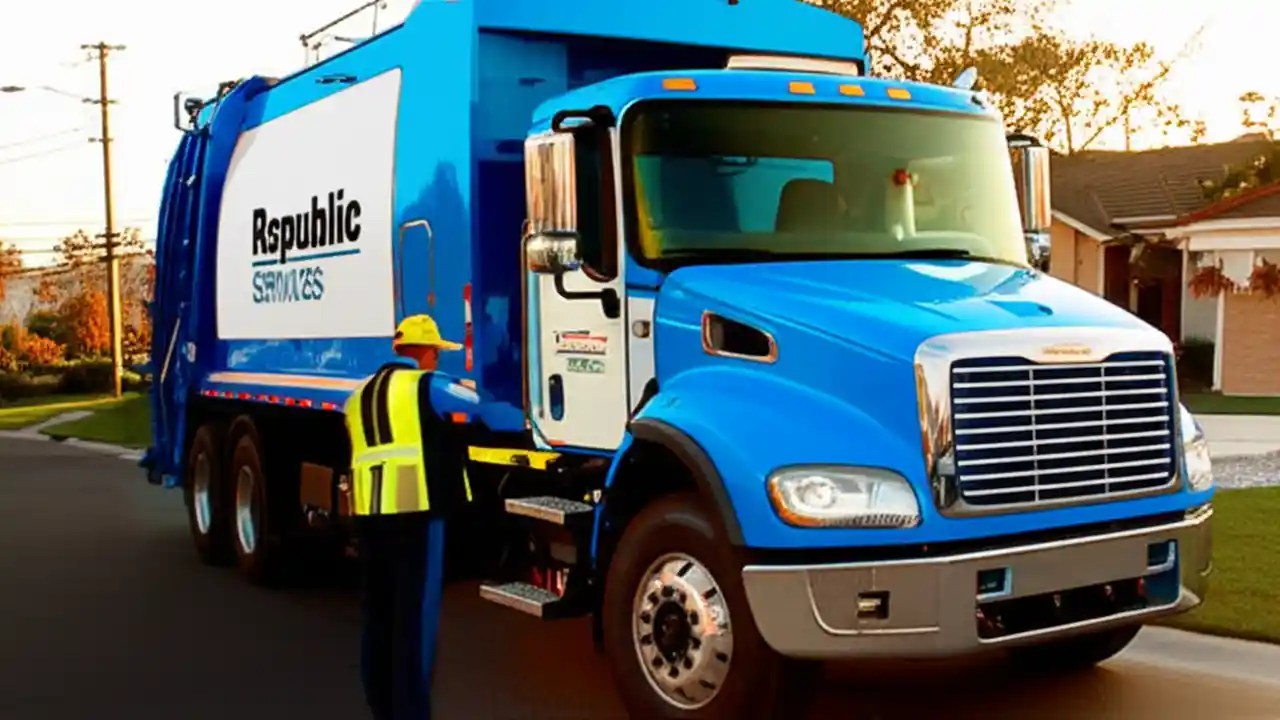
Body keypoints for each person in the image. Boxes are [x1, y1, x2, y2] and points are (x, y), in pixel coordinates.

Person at [343, 313, 480, 720]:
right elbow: (477, 405)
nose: (436, 360)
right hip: (418, 515)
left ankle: (381, 704)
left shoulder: (357, 396)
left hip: (371, 516)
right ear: (423, 352)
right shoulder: (427, 386)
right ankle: (412, 711)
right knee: (415, 619)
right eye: (436, 353)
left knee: (378, 613)